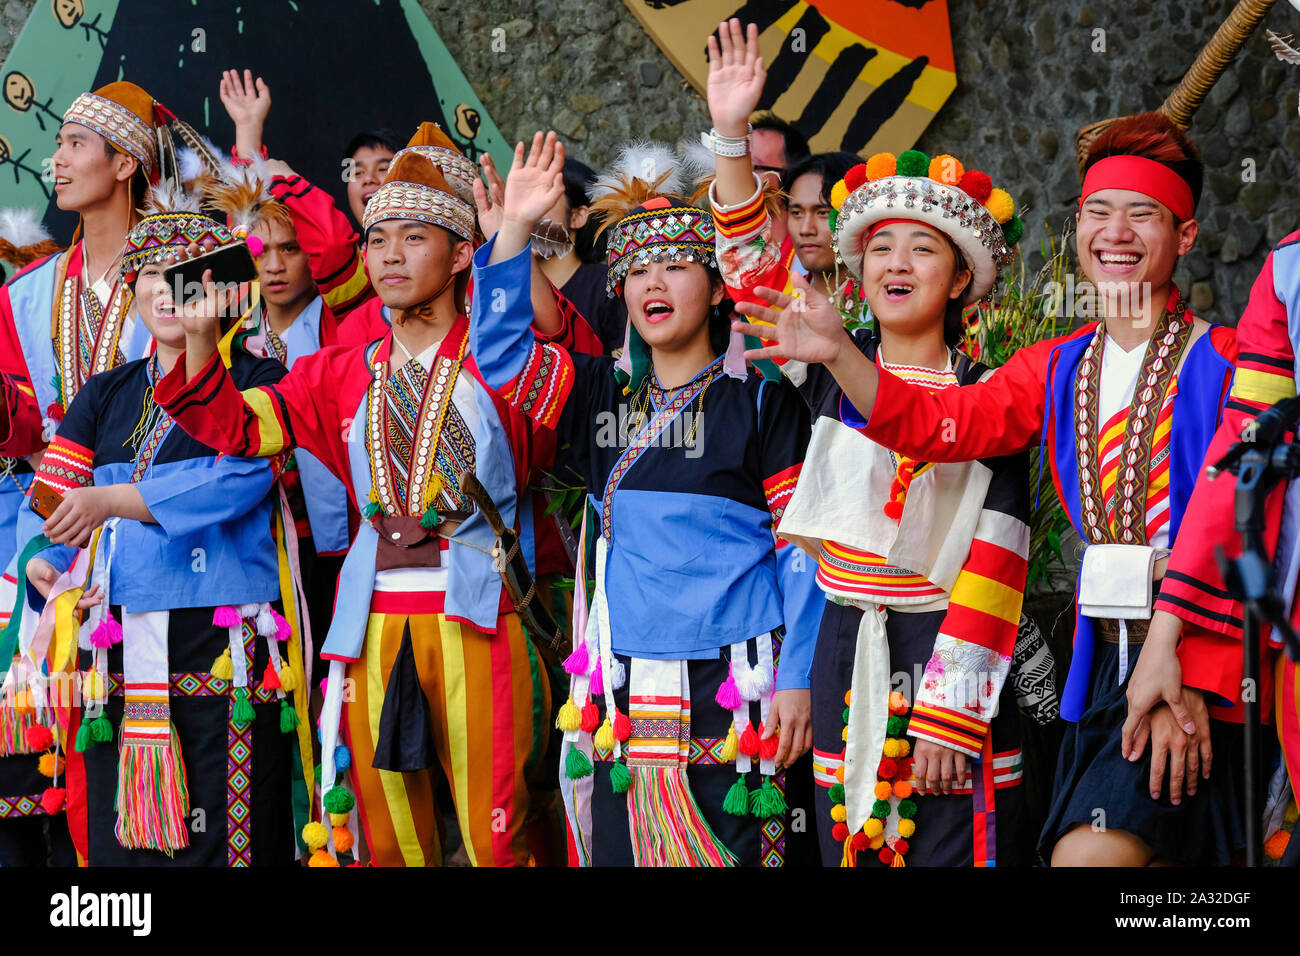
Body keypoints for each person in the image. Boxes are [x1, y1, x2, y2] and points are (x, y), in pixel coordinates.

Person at [736, 109, 1245, 866]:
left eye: (1143, 214)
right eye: (1098, 212)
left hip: (1198, 652)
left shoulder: (1233, 365)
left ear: (1188, 236)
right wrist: (843, 356)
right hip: (1100, 659)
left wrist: (1192, 672)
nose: (1116, 232)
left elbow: (1245, 526)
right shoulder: (1055, 367)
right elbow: (941, 424)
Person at [154, 122, 559, 867]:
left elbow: (536, 386)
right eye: (377, 241)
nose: (390, 256)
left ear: (464, 253)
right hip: (370, 619)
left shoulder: (506, 359)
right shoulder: (339, 369)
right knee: (384, 837)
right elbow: (239, 428)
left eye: (413, 238)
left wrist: (519, 236)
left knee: (497, 831)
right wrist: (202, 341)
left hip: (479, 609)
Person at [707, 17, 1031, 867]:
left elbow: (997, 561)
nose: (896, 261)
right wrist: (731, 136)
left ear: (961, 277)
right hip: (848, 646)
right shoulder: (824, 368)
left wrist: (951, 713)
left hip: (943, 655)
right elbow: (748, 268)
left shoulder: (990, 403)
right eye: (879, 244)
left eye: (922, 248)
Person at [470, 129, 813, 866]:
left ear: (719, 286)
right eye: (638, 271)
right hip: (624, 693)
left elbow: (803, 550)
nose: (654, 283)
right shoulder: (599, 389)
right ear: (618, 290)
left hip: (738, 684)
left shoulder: (760, 402)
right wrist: (518, 231)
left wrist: (799, 677)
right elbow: (499, 354)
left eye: (677, 267)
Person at [15, 198, 307, 866]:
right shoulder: (103, 393)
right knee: (126, 839)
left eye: (190, 275)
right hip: (115, 638)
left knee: (228, 834)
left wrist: (114, 498)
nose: (168, 290)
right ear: (131, 287)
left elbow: (243, 480)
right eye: (152, 273)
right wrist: (53, 559)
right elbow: (62, 508)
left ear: (229, 292)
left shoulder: (259, 378)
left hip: (223, 635)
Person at [0, 80, 166, 866]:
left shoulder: (183, 274)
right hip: (42, 539)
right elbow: (19, 428)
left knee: (128, 755)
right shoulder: (27, 294)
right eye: (58, 144)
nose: (54, 161)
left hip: (144, 531)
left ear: (125, 163)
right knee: (31, 757)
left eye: (73, 145)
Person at [1121, 227, 1300, 866]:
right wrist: (1173, 642)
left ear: (1186, 233)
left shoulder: (1217, 350)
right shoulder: (1289, 269)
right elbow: (1245, 459)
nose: (1115, 235)